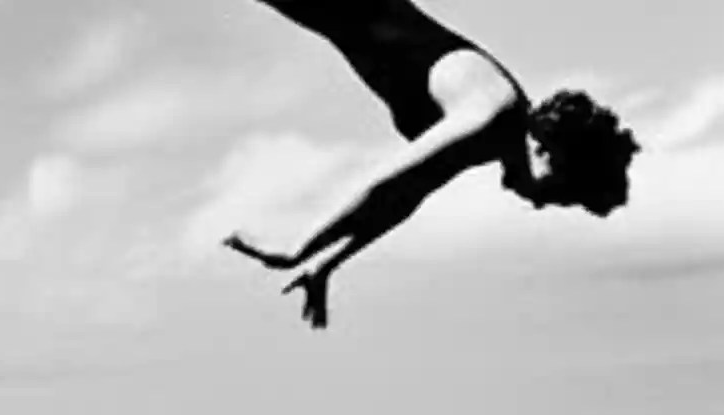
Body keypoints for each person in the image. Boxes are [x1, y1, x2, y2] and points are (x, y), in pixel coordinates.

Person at [224, 0, 642, 328]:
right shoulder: (493, 116)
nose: (537, 203)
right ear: (551, 152)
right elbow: (389, 183)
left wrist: (327, 262)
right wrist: (300, 244)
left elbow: (408, 196)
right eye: (555, 193)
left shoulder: (498, 128)